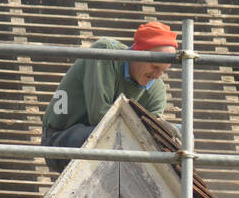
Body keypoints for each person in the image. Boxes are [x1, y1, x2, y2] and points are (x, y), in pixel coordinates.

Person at [40, 21, 178, 172]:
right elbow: (99, 117)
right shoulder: (106, 53)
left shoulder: (156, 90)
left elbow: (151, 137)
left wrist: (164, 132)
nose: (157, 75)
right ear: (138, 52)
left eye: (163, 70)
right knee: (122, 140)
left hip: (116, 141)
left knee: (180, 133)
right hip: (61, 140)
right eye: (155, 66)